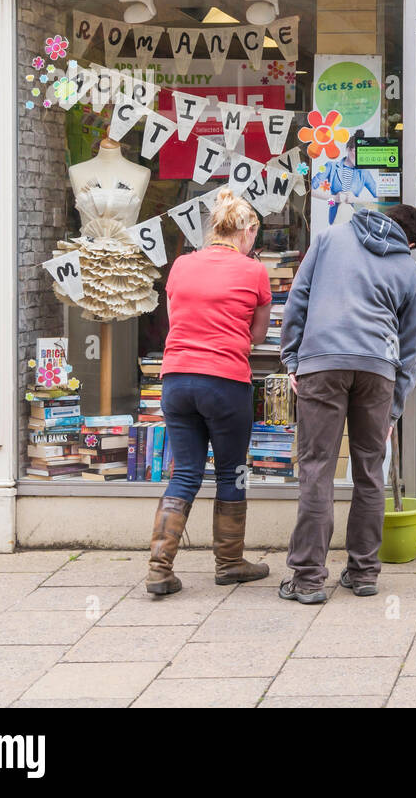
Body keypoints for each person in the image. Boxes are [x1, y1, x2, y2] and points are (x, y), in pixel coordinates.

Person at [278, 205, 416, 602]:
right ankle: (363, 574)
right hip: (378, 369)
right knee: (369, 472)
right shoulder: (411, 271)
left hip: (322, 363)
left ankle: (308, 580)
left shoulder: (328, 239)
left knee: (317, 467)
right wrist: (394, 408)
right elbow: (411, 348)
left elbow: (298, 299)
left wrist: (293, 358)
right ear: (410, 242)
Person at [146, 189, 272, 596]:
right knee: (231, 471)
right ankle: (230, 563)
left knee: (184, 473)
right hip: (225, 381)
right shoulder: (254, 271)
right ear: (247, 232)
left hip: (177, 380)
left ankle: (159, 570)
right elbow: (256, 335)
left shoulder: (181, 266)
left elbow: (173, 323)